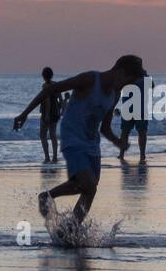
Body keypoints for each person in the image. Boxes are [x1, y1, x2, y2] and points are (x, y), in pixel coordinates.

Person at [13, 56, 144, 221]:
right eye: (127, 82)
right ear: (121, 72)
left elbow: (105, 127)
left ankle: (70, 228)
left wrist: (118, 142)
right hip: (72, 137)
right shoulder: (89, 79)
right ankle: (49, 198)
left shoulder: (114, 94)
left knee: (89, 189)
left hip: (91, 143)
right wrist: (24, 114)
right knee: (87, 184)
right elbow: (51, 90)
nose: (126, 87)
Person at [116, 67, 149, 163]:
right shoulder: (143, 77)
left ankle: (121, 154)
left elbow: (117, 88)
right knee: (141, 131)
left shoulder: (126, 78)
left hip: (128, 107)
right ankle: (142, 155)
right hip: (139, 108)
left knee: (125, 132)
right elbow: (152, 85)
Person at [38, 67, 62, 163]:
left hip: (47, 113)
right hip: (55, 112)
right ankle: (55, 157)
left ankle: (47, 157)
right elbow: (60, 99)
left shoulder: (45, 86)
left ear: (43, 76)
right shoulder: (56, 85)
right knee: (53, 135)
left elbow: (47, 100)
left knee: (43, 135)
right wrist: (60, 110)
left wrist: (46, 114)